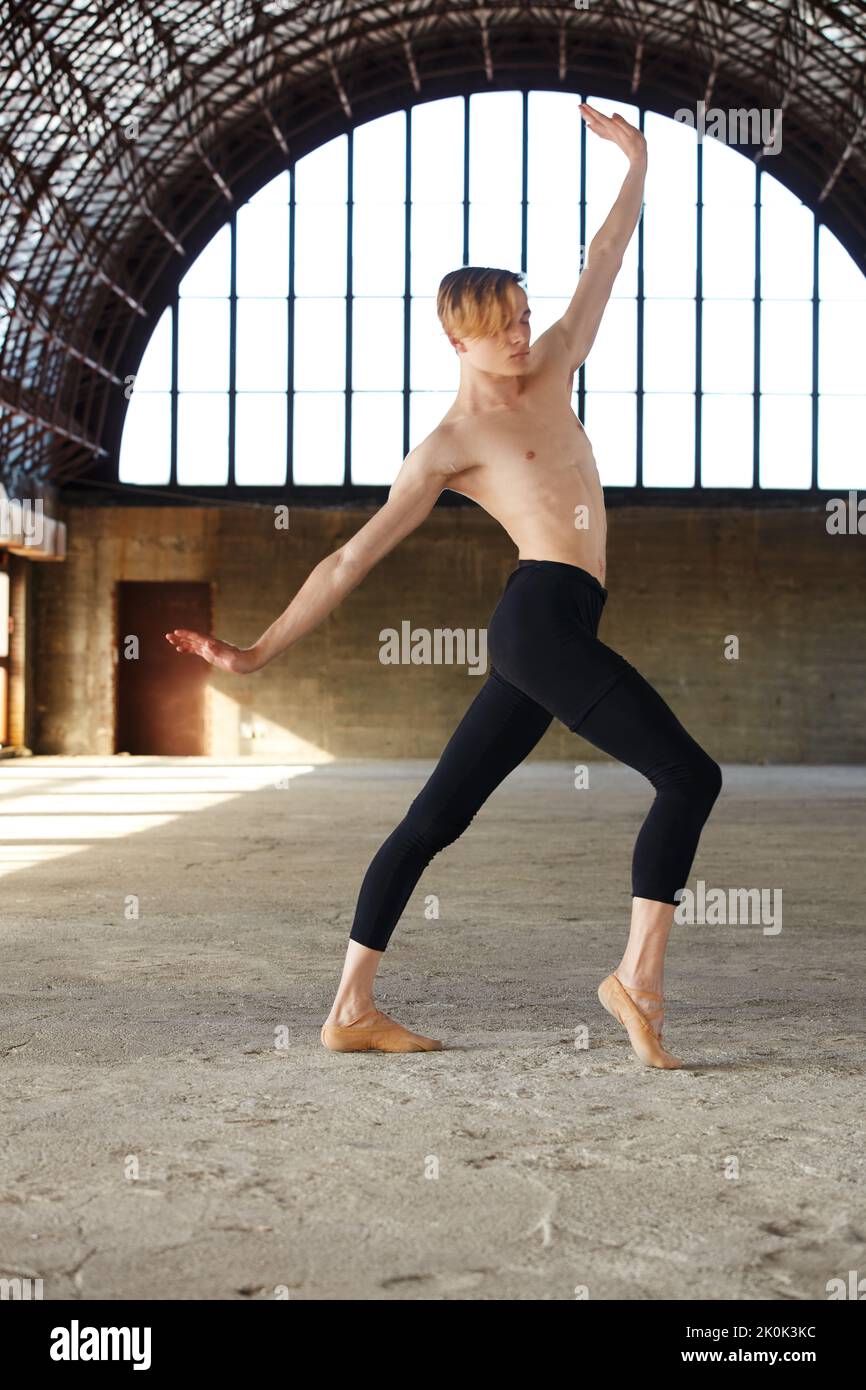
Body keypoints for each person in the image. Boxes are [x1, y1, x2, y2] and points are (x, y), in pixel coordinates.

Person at [166, 103, 722, 1069]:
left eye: (519, 315)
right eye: (498, 328)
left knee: (433, 818)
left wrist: (636, 164)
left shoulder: (554, 367)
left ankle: (349, 1008)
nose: (519, 334)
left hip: (552, 628)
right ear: (454, 341)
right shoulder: (448, 448)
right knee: (689, 774)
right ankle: (637, 981)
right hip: (541, 620)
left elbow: (606, 255)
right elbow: (348, 560)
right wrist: (254, 651)